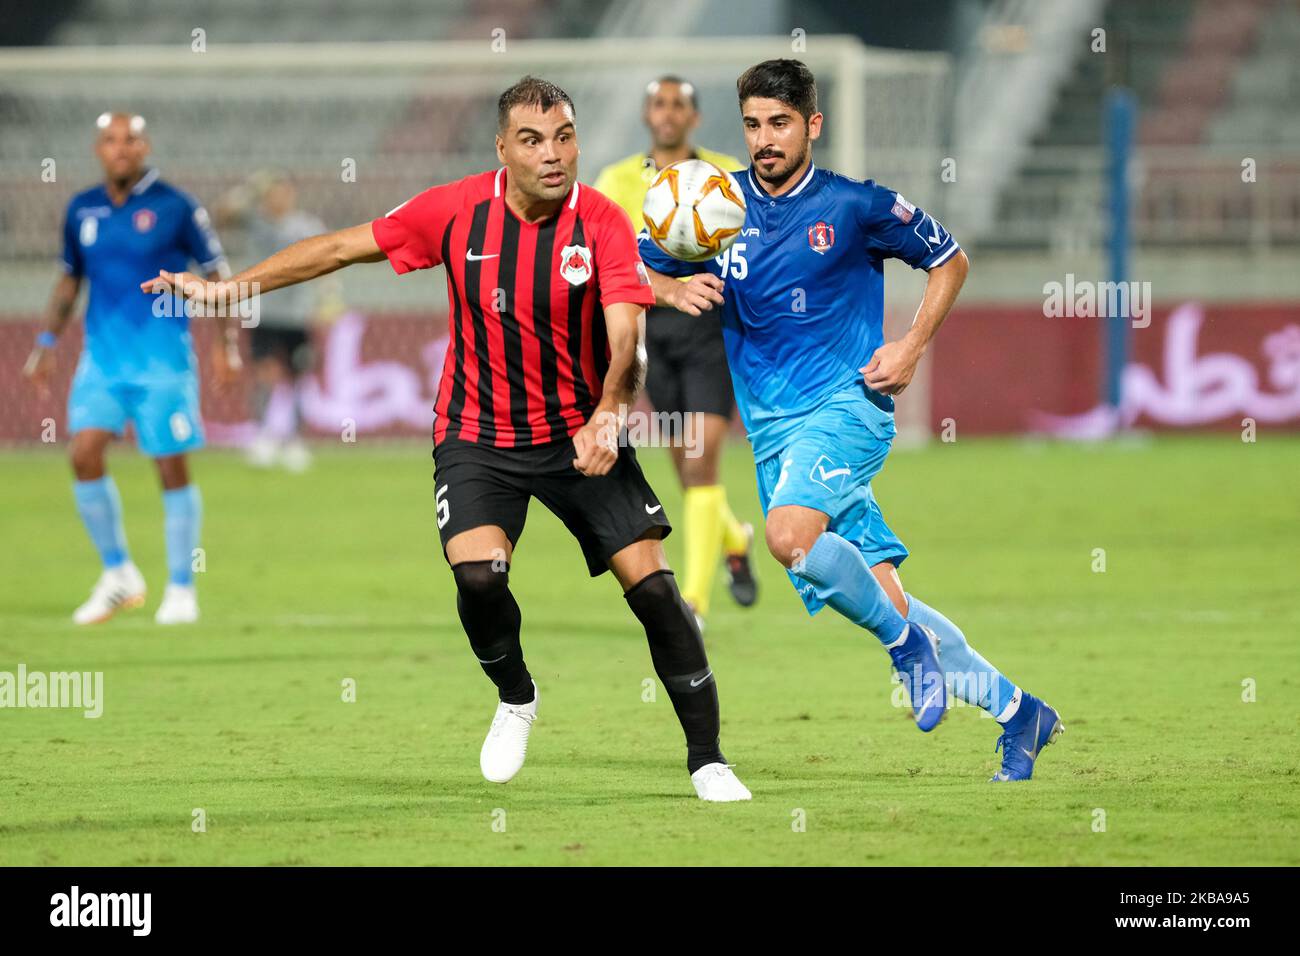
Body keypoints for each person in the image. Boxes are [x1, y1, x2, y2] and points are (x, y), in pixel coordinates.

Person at [141, 77, 751, 802]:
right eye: (532, 140)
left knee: (653, 590)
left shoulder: (605, 223)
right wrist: (229, 290)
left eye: (564, 137)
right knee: (478, 576)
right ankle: (517, 695)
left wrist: (611, 416)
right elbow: (339, 248)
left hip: (580, 432)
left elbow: (630, 346)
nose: (553, 154)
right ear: (502, 148)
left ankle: (708, 759)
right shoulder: (456, 211)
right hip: (477, 434)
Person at [639, 60, 1064, 781]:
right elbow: (630, 266)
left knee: (786, 538)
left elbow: (950, 259)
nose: (764, 139)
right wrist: (667, 290)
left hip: (848, 407)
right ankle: (1019, 713)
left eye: (779, 123)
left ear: (813, 124)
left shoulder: (857, 206)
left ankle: (903, 650)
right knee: (880, 589)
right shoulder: (713, 205)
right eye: (752, 125)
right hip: (775, 437)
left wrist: (912, 344)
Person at [24, 111, 237, 626]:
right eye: (111, 140)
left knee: (170, 467)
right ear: (99, 149)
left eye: (131, 140)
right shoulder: (82, 209)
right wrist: (47, 341)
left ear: (145, 148)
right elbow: (70, 281)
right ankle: (119, 573)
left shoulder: (177, 206)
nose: (121, 148)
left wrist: (226, 344)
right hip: (102, 362)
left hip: (163, 362)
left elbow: (218, 273)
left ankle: (182, 589)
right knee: (83, 453)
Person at [593, 76, 758, 630]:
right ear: (647, 114)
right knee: (688, 472)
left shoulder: (726, 173)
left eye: (679, 104)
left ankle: (694, 603)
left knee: (703, 458)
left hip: (711, 323)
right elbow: (602, 255)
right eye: (659, 103)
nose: (668, 113)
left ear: (693, 117)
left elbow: (755, 239)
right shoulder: (615, 180)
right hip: (649, 333)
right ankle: (735, 538)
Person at [217, 170, 332, 471]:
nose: (279, 199)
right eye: (273, 193)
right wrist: (250, 188)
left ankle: (295, 440)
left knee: (298, 377)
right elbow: (223, 213)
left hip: (297, 314)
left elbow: (328, 261)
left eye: (284, 192)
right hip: (264, 311)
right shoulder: (255, 222)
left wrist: (329, 299)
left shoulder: (306, 226)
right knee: (264, 374)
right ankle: (263, 436)